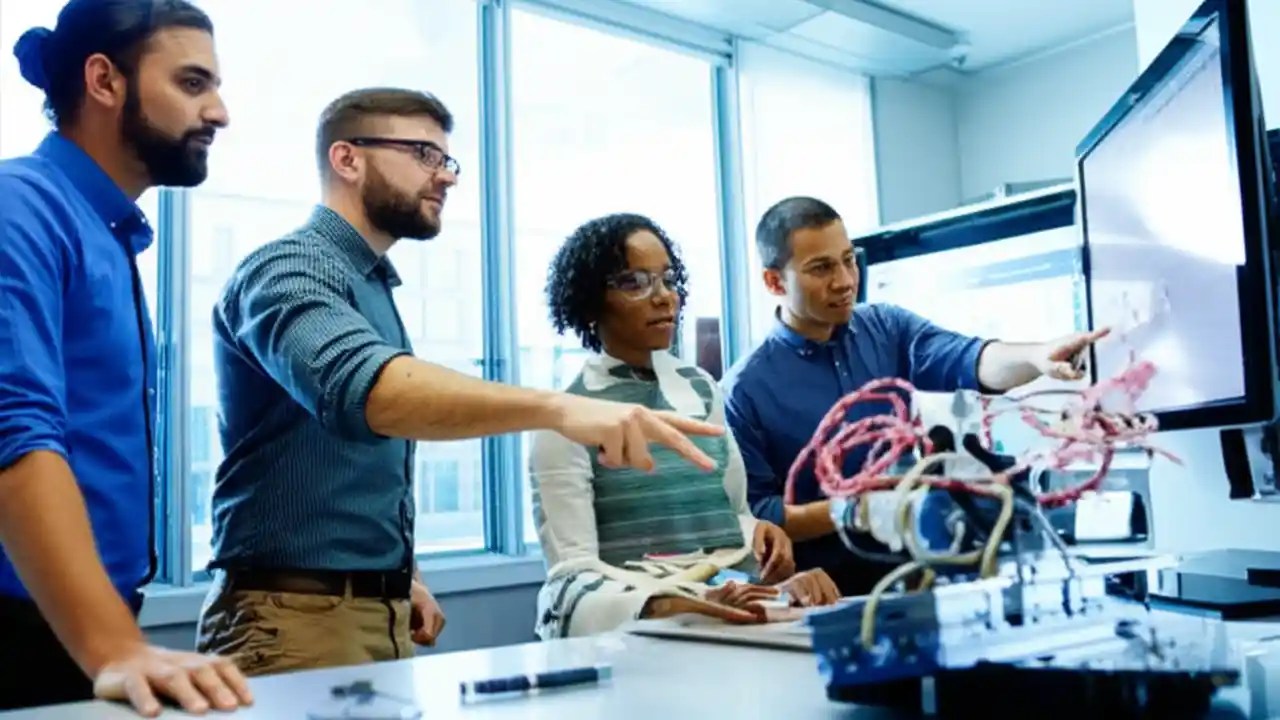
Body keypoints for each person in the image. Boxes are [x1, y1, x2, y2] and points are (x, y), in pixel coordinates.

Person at [196, 90, 724, 674]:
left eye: (447, 159)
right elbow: (369, 391)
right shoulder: (288, 269)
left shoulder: (369, 284)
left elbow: (352, 470)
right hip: (291, 616)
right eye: (423, 154)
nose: (446, 175)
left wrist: (401, 573)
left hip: (367, 607)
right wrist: (560, 408)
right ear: (347, 159)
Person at [0, 0, 252, 716]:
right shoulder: (19, 205)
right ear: (104, 81)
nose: (220, 112)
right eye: (193, 83)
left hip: (76, 626)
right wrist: (112, 646)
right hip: (25, 632)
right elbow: (13, 430)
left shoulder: (104, 230)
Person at [721, 196, 1108, 596]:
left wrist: (1037, 356)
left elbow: (966, 358)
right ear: (775, 282)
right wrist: (858, 510)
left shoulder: (886, 328)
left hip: (916, 584)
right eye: (821, 268)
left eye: (849, 260)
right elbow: (757, 516)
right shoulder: (743, 391)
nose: (845, 280)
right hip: (821, 599)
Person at [529, 213, 841, 638]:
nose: (664, 298)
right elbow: (570, 582)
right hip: (633, 638)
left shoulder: (701, 390)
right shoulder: (565, 420)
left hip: (721, 620)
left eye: (668, 280)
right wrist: (685, 603)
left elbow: (732, 518)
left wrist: (760, 539)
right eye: (635, 282)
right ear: (589, 302)